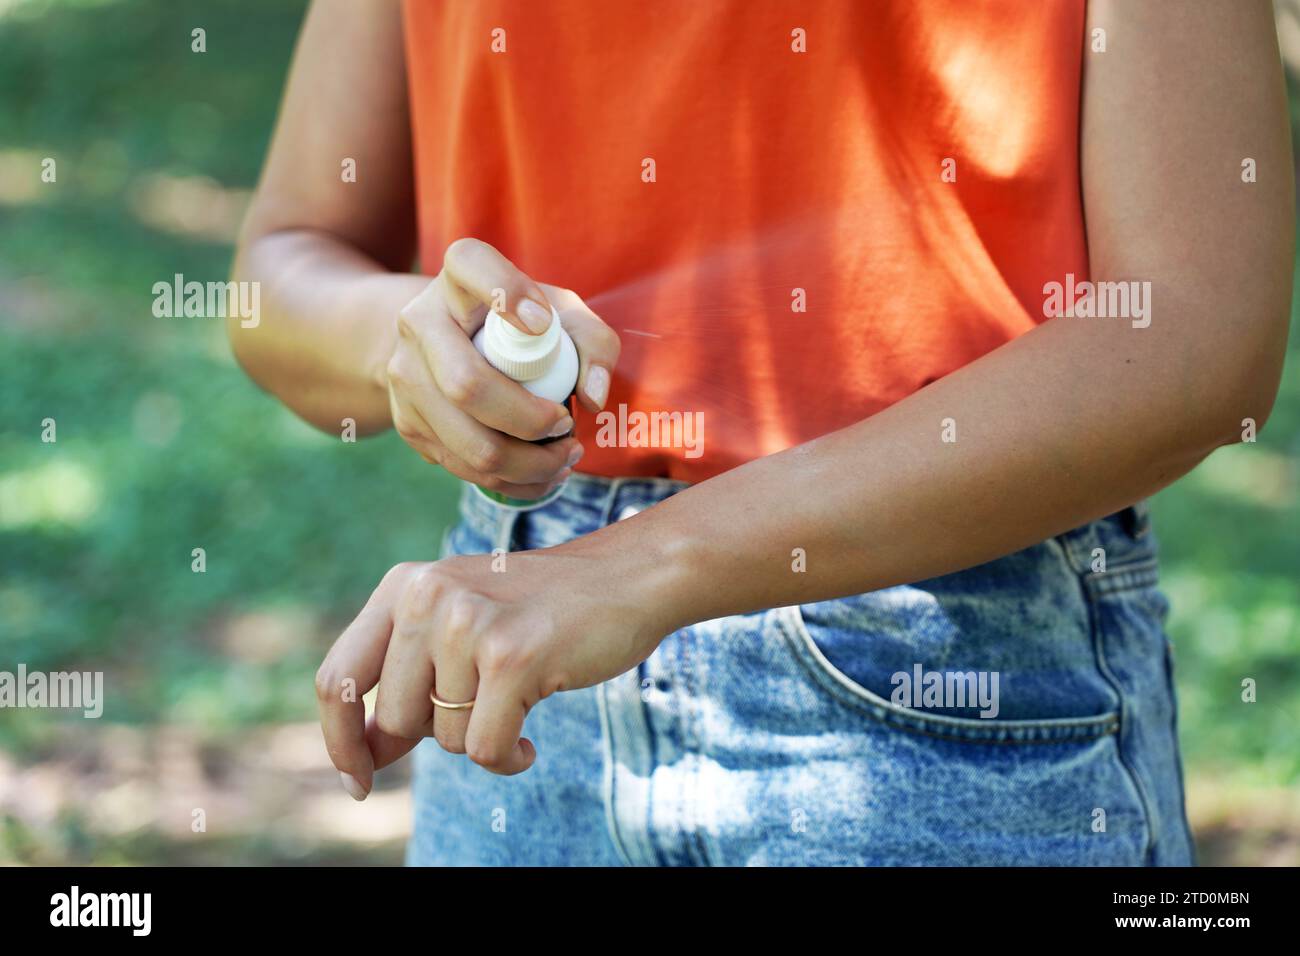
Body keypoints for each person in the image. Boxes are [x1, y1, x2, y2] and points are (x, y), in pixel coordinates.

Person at [229, 0, 1293, 865]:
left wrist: (640, 569)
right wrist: (404, 346)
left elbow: (1196, 333)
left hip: (939, 649)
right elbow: (282, 263)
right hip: (510, 652)